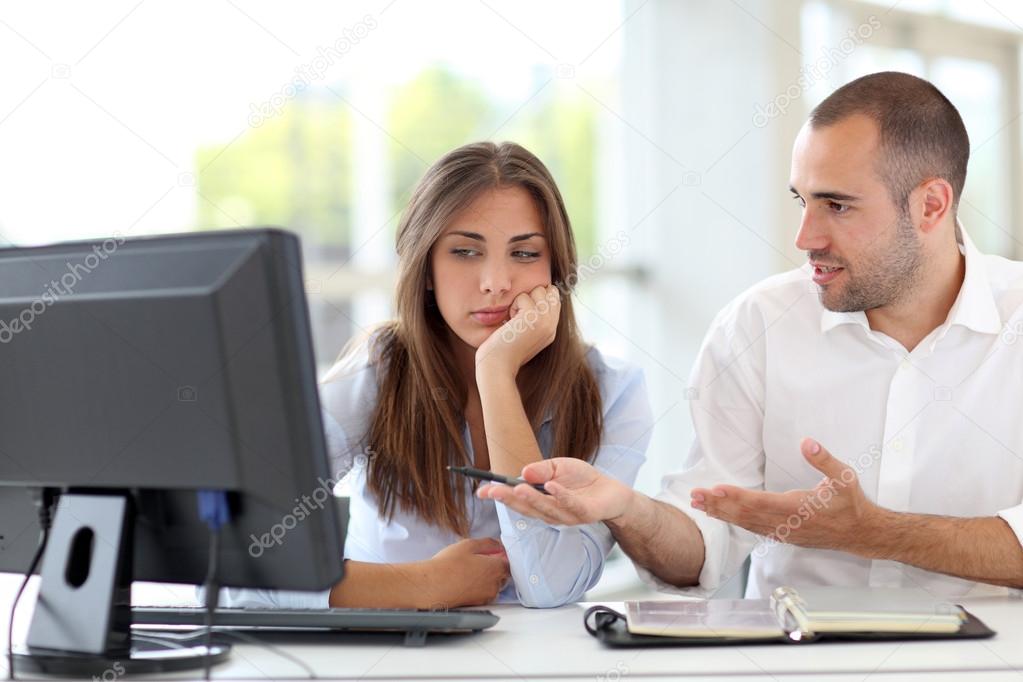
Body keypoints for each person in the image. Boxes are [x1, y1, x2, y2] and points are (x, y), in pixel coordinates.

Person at [480, 72, 1023, 598]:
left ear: (931, 205)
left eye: (837, 205)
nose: (805, 236)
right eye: (801, 200)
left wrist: (869, 531)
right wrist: (628, 510)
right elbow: (703, 546)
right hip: (801, 665)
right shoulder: (757, 326)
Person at [223, 141, 652, 610]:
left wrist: (496, 374)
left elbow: (550, 584)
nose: (495, 282)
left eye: (525, 254)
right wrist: (420, 586)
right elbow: (239, 568)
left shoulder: (613, 391)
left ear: (556, 268)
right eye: (466, 251)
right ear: (426, 268)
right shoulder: (378, 374)